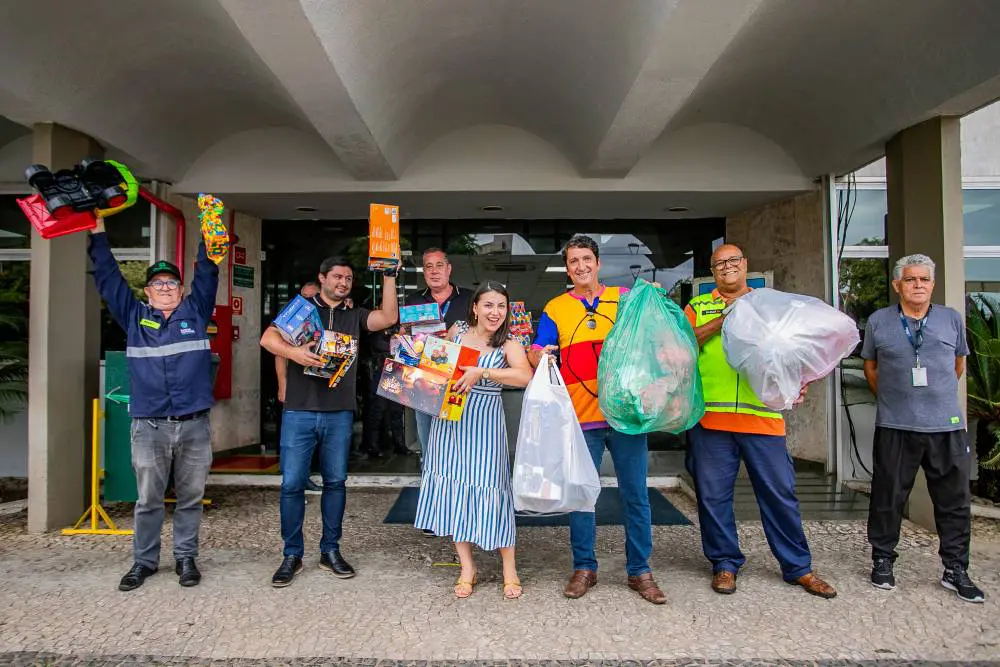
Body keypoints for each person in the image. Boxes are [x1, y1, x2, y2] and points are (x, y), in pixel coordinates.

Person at [683, 244, 836, 598]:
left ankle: (798, 567)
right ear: (712, 270)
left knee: (779, 494)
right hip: (712, 419)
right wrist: (723, 321)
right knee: (712, 496)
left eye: (733, 261)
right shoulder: (699, 306)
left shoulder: (769, 303)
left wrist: (801, 382)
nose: (727, 268)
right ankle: (724, 563)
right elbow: (682, 343)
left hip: (762, 418)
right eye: (719, 264)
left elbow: (799, 348)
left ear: (745, 265)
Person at [529, 235, 667, 605]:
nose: (580, 266)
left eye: (586, 259)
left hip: (625, 416)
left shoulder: (623, 298)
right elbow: (538, 348)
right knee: (581, 498)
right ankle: (584, 568)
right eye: (573, 261)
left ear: (598, 262)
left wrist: (653, 297)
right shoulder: (556, 307)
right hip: (580, 418)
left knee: (636, 495)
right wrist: (541, 354)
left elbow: (652, 335)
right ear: (567, 267)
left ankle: (640, 571)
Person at [88, 218, 220, 592]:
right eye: (158, 283)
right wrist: (98, 230)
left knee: (190, 498)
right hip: (149, 426)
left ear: (181, 290)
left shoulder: (195, 312)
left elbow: (207, 272)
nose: (165, 288)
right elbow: (108, 278)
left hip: (194, 424)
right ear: (147, 292)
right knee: (148, 500)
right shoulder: (134, 318)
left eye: (172, 283)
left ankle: (185, 558)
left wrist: (210, 234)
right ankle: (143, 562)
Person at [260, 257, 398, 587]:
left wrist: (390, 276)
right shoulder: (301, 308)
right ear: (322, 277)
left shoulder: (355, 313)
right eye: (337, 277)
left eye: (348, 278)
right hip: (299, 410)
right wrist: (294, 354)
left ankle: (330, 551)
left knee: (336, 483)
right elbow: (268, 339)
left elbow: (389, 317)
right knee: (292, 484)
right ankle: (291, 554)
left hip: (339, 412)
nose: (343, 283)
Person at [861, 254, 984, 603]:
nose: (918, 285)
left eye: (925, 280)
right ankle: (883, 559)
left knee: (954, 500)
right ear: (897, 285)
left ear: (933, 284)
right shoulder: (879, 321)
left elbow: (957, 365)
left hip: (945, 426)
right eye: (911, 280)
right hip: (896, 424)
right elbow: (871, 368)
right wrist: (895, 400)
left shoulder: (950, 319)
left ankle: (955, 568)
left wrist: (934, 399)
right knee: (887, 497)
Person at [414, 282, 533, 599]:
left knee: (493, 490)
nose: (495, 312)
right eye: (489, 305)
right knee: (455, 487)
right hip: (450, 423)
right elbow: (434, 368)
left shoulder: (509, 344)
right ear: (475, 308)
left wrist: (484, 372)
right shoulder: (457, 333)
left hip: (485, 425)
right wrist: (414, 356)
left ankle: (509, 568)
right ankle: (467, 566)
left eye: (501, 306)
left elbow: (525, 376)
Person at [404, 248, 473, 454]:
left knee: (462, 443)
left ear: (449, 269)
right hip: (424, 381)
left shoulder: (470, 299)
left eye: (439, 265)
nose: (434, 271)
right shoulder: (413, 301)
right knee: (429, 445)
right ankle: (430, 481)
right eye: (428, 267)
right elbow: (405, 340)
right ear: (424, 272)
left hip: (461, 380)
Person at [275, 282, 323, 492]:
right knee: (292, 441)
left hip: (317, 387)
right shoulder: (290, 320)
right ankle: (293, 480)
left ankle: (305, 477)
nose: (306, 303)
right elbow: (279, 354)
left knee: (312, 440)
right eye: (304, 298)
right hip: (296, 389)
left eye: (312, 298)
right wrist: (282, 385)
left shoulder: (323, 319)